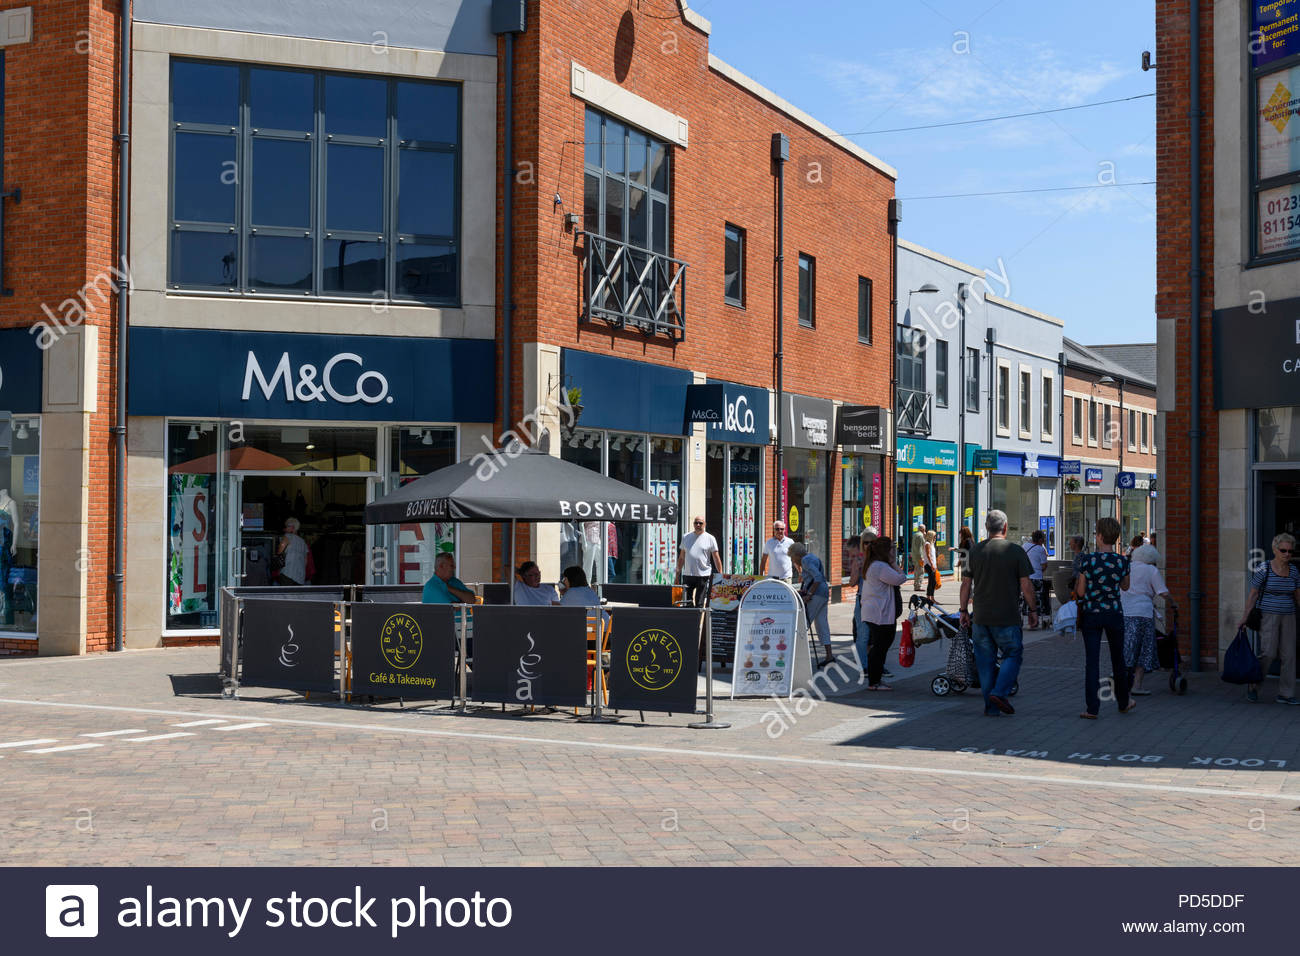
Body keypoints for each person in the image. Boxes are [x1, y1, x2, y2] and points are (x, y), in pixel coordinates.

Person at [960, 509, 1037, 716]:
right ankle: (1000, 691)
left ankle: (991, 707)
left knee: (985, 664)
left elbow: (965, 584)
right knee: (1013, 654)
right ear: (1005, 526)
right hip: (1007, 617)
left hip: (981, 617)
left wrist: (963, 611)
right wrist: (1033, 609)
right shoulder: (1016, 551)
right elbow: (1026, 585)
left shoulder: (974, 552)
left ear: (986, 527)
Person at [1074, 517, 1135, 719]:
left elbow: (1081, 592)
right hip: (1114, 613)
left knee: (1092, 661)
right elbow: (1125, 586)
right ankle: (1124, 702)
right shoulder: (1122, 560)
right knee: (1118, 659)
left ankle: (1092, 708)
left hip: (1092, 614)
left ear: (1099, 536)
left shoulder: (1088, 560)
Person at [1236, 533, 1300, 705]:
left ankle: (1286, 694)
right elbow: (1253, 594)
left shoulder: (1294, 571)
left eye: (1290, 551)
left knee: (1289, 655)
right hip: (1268, 616)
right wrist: (1244, 617)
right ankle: (1254, 686)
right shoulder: (1264, 568)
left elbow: (1297, 595)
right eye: (1283, 550)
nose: (1287, 554)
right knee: (1269, 653)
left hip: (1289, 615)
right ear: (1275, 549)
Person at [1123, 544, 1172, 696]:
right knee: (1144, 649)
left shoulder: (1127, 567)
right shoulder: (1151, 570)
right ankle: (1136, 685)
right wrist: (1174, 603)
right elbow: (1162, 592)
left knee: (1127, 647)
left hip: (1125, 612)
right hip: (1143, 613)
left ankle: (1121, 678)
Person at [860, 536, 907, 689]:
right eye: (892, 549)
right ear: (885, 551)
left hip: (876, 611)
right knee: (880, 647)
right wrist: (894, 563)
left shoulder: (874, 565)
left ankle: (876, 680)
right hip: (879, 613)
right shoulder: (880, 566)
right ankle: (874, 682)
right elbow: (900, 578)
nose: (894, 551)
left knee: (880, 646)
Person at [789, 542, 833, 667]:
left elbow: (817, 577)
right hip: (824, 592)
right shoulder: (813, 557)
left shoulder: (805, 561)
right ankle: (829, 655)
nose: (793, 561)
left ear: (797, 555)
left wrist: (809, 594)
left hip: (816, 594)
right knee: (822, 624)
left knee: (804, 622)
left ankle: (796, 655)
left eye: (792, 558)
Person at [677, 516, 722, 608]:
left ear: (704, 524)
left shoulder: (710, 538)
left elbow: (716, 557)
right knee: (687, 602)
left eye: (700, 523)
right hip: (688, 574)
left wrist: (721, 574)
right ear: (693, 524)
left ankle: (698, 622)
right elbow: (681, 557)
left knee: (699, 603)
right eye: (696, 523)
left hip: (703, 575)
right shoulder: (686, 537)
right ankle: (689, 621)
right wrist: (677, 574)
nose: (698, 525)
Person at [1025, 529, 1051, 627]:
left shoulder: (1025, 546)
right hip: (1037, 577)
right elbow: (1044, 565)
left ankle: (1029, 621)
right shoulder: (1041, 549)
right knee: (1037, 599)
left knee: (1027, 599)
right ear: (1040, 540)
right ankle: (1036, 621)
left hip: (1026, 577)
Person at [276, 516, 309, 587]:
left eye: (287, 526)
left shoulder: (287, 537)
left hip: (287, 573)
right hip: (300, 576)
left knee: (286, 595)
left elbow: (279, 552)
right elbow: (306, 561)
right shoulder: (303, 542)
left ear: (292, 527)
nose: (285, 528)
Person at [923, 529, 940, 601]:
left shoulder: (931, 544)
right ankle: (930, 598)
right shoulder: (927, 544)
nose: (935, 538)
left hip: (932, 565)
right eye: (934, 536)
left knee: (932, 581)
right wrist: (932, 564)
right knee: (932, 581)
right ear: (931, 536)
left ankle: (930, 597)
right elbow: (928, 555)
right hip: (929, 565)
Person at [911, 524, 927, 591]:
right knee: (921, 571)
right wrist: (922, 558)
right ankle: (918, 586)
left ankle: (916, 585)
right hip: (919, 556)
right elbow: (920, 547)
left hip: (914, 555)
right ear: (923, 529)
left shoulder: (915, 534)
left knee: (916, 571)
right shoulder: (920, 536)